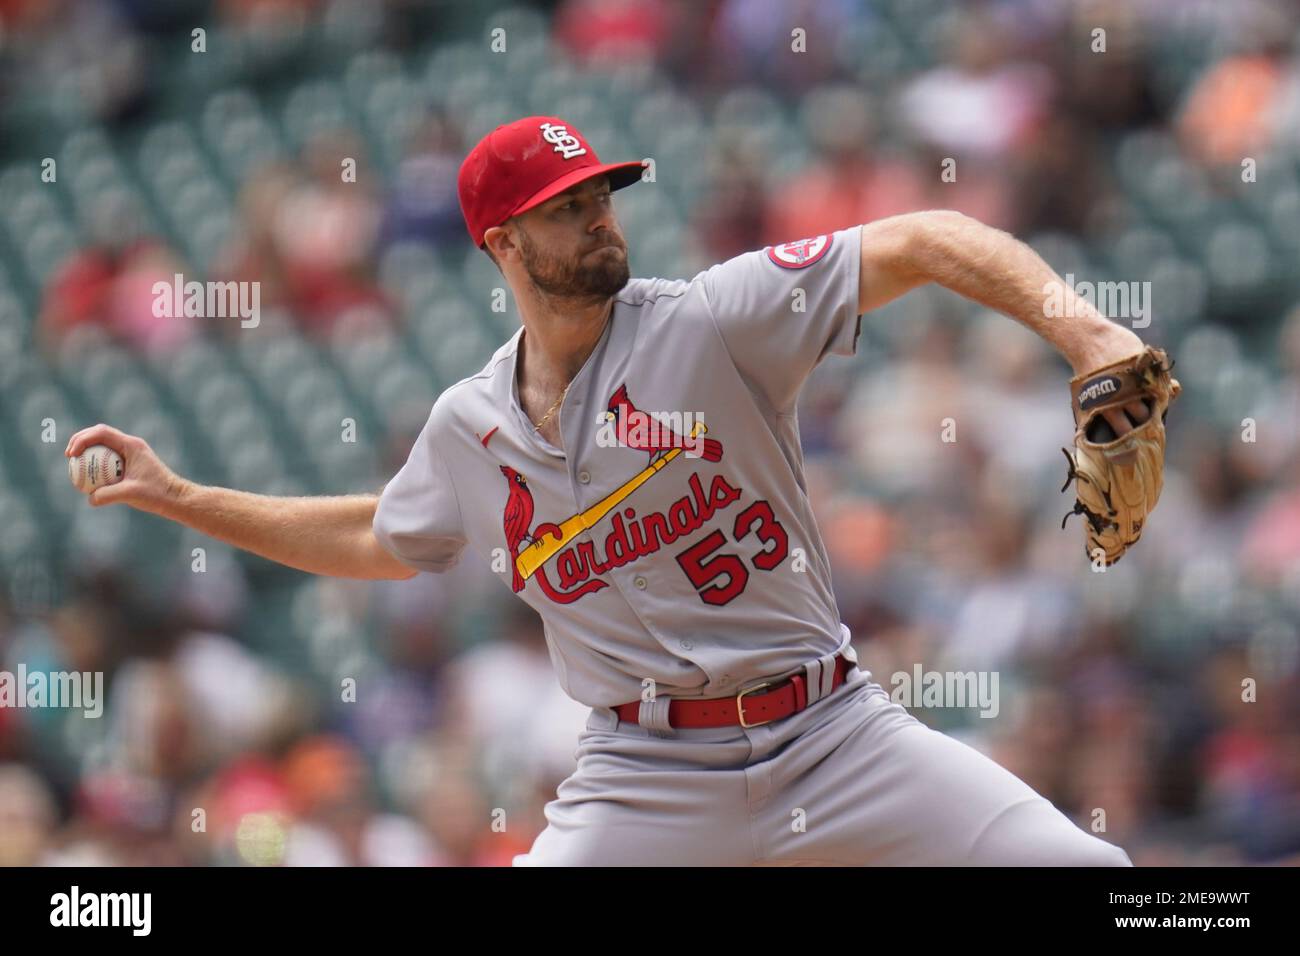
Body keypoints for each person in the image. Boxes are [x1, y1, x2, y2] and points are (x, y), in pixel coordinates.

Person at [67, 116, 1153, 865]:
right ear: (502, 243)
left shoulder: (712, 321)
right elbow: (372, 535)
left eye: (601, 193)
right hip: (645, 773)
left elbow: (923, 237)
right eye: (563, 206)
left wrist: (1083, 327)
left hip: (832, 731)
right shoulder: (471, 424)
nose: (597, 216)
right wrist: (181, 495)